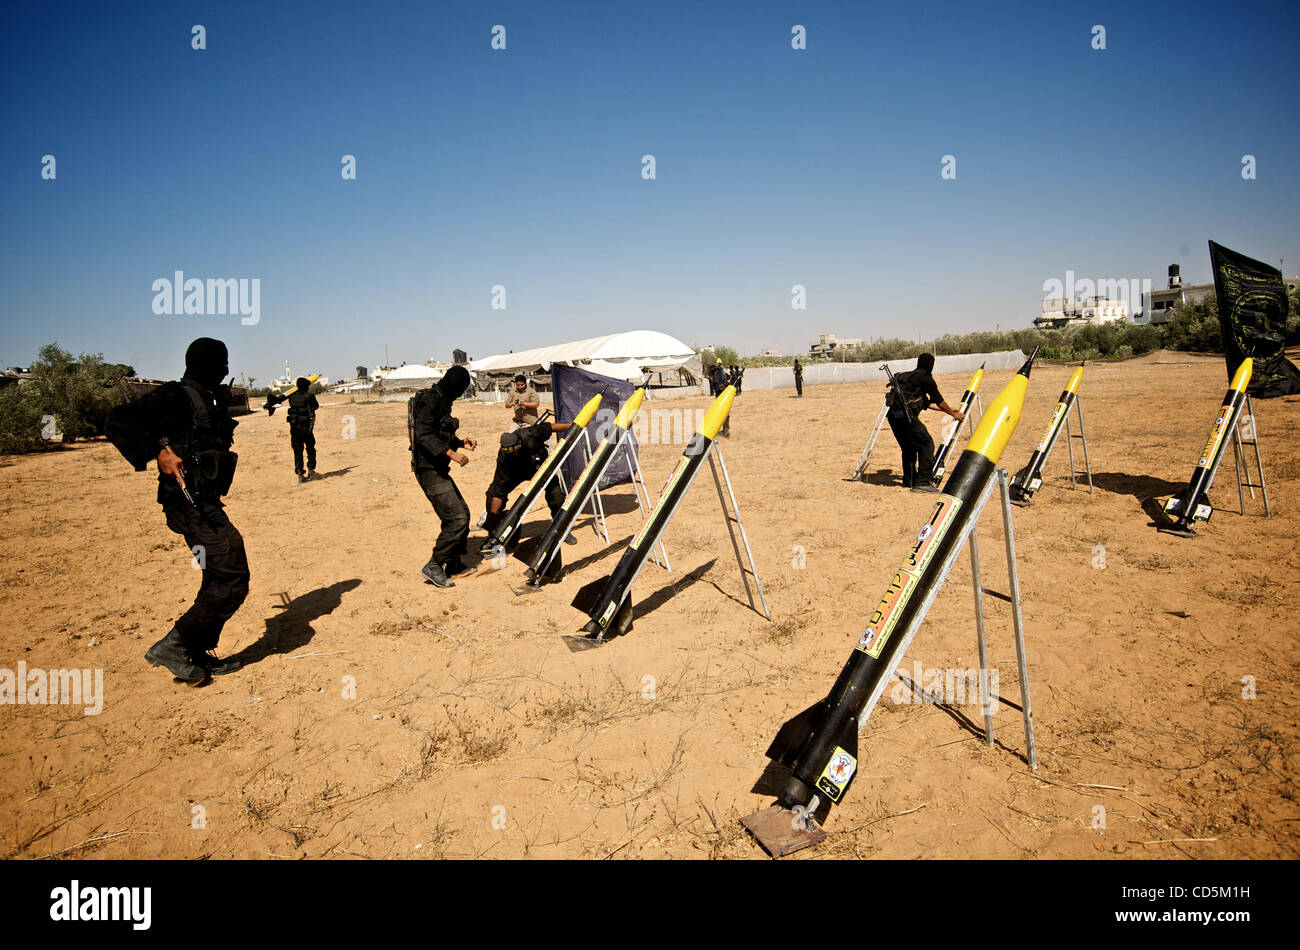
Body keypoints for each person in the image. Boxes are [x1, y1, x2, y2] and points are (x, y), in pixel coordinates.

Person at [105, 337, 248, 684]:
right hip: (190, 506)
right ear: (207, 365)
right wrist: (159, 451)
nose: (226, 370)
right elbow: (117, 422)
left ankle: (194, 653)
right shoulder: (176, 395)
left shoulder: (206, 398)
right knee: (232, 577)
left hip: (202, 504)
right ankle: (175, 645)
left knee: (216, 575)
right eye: (222, 363)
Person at [410, 365, 477, 587]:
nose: (460, 393)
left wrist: (460, 442)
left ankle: (453, 561)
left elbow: (440, 431)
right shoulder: (432, 399)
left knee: (463, 513)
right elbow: (423, 435)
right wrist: (451, 453)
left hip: (437, 468)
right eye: (461, 388)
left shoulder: (443, 399)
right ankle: (434, 565)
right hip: (428, 470)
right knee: (456, 518)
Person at [479, 420, 576, 562]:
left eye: (514, 450)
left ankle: (561, 529)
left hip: (539, 467)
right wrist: (493, 518)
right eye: (508, 451)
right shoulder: (504, 459)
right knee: (492, 494)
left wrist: (576, 426)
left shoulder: (531, 433)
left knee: (556, 496)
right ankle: (496, 535)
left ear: (519, 443)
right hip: (515, 472)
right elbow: (499, 490)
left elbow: (550, 427)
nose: (512, 453)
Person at [886, 353, 965, 492]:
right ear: (931, 365)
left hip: (894, 417)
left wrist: (950, 409)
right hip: (907, 417)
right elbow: (939, 401)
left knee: (909, 447)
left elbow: (926, 403)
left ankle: (909, 481)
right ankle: (923, 483)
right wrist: (954, 415)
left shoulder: (906, 377)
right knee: (926, 444)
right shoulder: (926, 379)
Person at [286, 376, 319, 482]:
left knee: (297, 451)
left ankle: (300, 473)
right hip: (307, 428)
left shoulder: (291, 397)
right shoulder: (309, 396)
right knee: (310, 449)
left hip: (295, 428)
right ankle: (311, 470)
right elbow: (316, 406)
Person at [709, 359, 731, 437]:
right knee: (724, 412)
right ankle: (725, 429)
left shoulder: (719, 373)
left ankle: (725, 429)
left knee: (722, 411)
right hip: (722, 395)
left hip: (721, 395)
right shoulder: (720, 372)